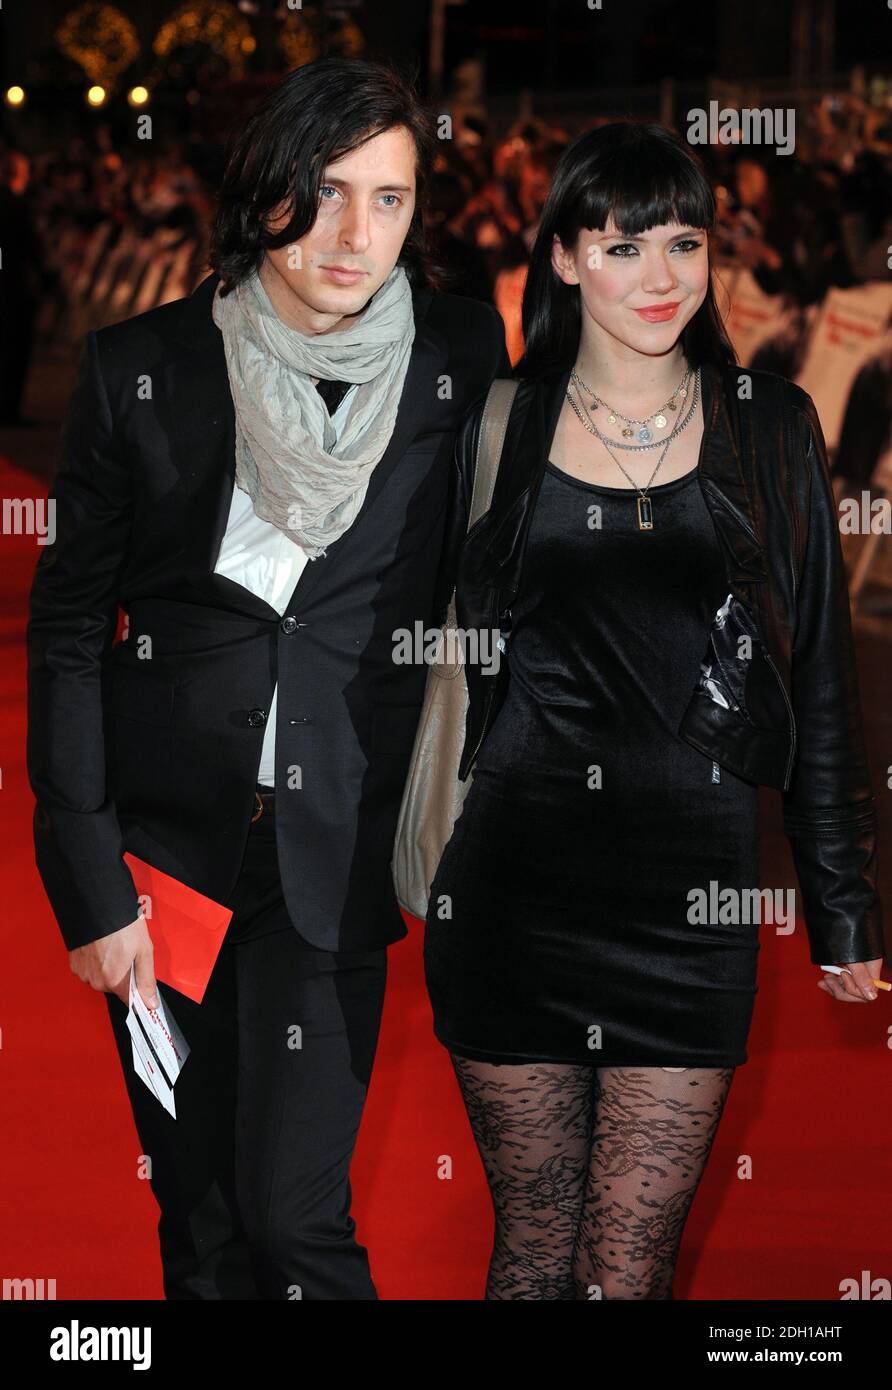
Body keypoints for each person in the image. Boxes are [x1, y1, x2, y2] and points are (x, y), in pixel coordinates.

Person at [27, 56, 507, 1300]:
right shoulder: (148, 365)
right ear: (267, 187)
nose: (357, 234)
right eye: (328, 190)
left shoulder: (453, 356)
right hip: (165, 867)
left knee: (297, 1229)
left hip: (333, 847)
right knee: (201, 1234)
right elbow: (72, 627)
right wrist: (88, 883)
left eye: (391, 199)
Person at [423, 121, 887, 1301]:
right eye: (623, 247)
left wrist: (840, 901)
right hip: (514, 888)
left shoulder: (769, 425)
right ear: (566, 259)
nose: (662, 277)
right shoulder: (495, 426)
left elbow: (820, 673)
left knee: (626, 1267)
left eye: (684, 241)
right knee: (532, 1253)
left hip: (693, 904)